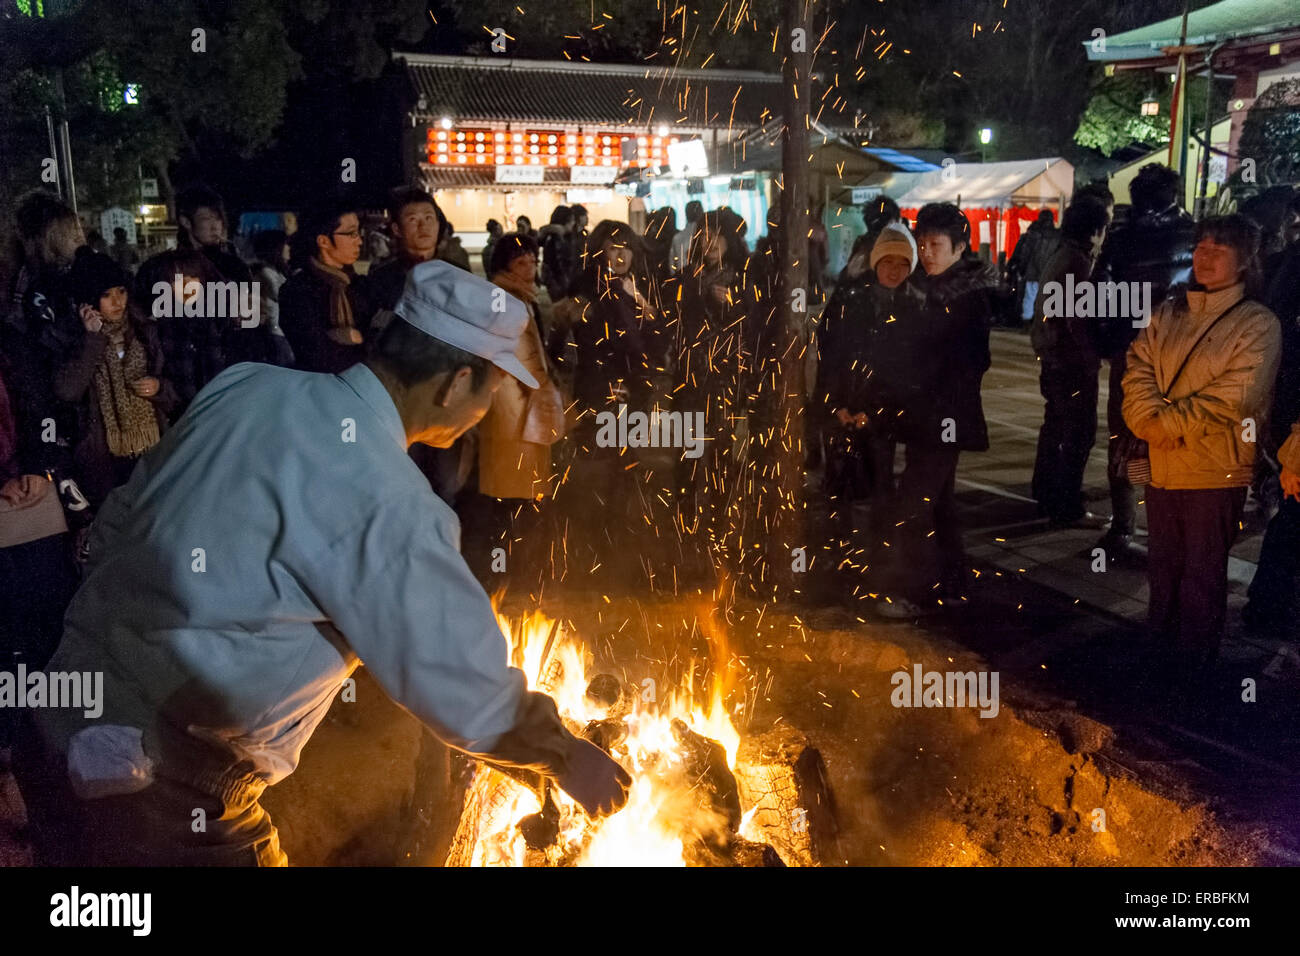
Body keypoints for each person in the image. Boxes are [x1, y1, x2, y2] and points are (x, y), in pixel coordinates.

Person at [14, 260, 632, 866]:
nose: (487, 406)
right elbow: (458, 682)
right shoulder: (389, 499)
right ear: (455, 383)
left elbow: (120, 517)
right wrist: (566, 757)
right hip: (161, 783)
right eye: (493, 386)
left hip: (60, 715)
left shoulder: (244, 385)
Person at [1122, 215, 1280, 683]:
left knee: (1202, 572)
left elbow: (1238, 395)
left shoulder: (1257, 323)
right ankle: (1158, 651)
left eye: (1221, 247)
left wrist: (1161, 423)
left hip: (1214, 467)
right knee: (1163, 564)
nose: (1206, 254)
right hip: (1162, 461)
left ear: (1247, 259)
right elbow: (1137, 368)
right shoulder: (1170, 312)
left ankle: (1192, 666)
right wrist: (1146, 419)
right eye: (1202, 245)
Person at [1093, 163, 1197, 559]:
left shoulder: (1122, 238)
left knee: (1123, 436)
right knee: (1172, 436)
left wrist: (1108, 338)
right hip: (1181, 350)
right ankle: (1170, 529)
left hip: (1131, 348)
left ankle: (1122, 529)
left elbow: (1099, 291)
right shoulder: (1193, 233)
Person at [906, 202, 1000, 604]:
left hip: (943, 416)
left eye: (936, 244)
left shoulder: (965, 298)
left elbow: (975, 361)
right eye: (922, 242)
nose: (927, 251)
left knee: (914, 501)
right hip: (923, 413)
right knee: (939, 502)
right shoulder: (925, 288)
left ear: (960, 248)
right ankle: (954, 581)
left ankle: (917, 589)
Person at [464, 234, 566, 584]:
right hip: (516, 407)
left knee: (511, 491)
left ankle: (508, 568)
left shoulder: (519, 296)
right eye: (521, 262)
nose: (530, 267)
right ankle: (512, 571)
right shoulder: (507, 300)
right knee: (514, 492)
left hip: (514, 405)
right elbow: (522, 356)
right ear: (504, 266)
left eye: (532, 260)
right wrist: (545, 388)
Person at [815, 222, 919, 559]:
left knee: (881, 487)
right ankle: (836, 551)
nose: (894, 270)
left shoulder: (914, 307)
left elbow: (907, 372)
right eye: (887, 261)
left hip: (881, 417)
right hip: (844, 409)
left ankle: (879, 558)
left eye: (903, 263)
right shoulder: (851, 300)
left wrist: (875, 413)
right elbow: (829, 355)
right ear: (875, 262)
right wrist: (836, 405)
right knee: (837, 483)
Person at [56, 251, 176, 509]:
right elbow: (67, 391)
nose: (117, 301)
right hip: (105, 455)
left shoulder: (145, 331)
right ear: (89, 302)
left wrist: (158, 388)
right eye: (106, 295)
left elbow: (173, 386)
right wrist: (92, 339)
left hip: (152, 448)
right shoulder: (75, 339)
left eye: (121, 291)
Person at [1029, 196, 1112, 526]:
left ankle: (1047, 492)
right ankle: (1067, 506)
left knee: (1055, 427)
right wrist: (1093, 354)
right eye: (1104, 227)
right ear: (1094, 230)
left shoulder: (1061, 254)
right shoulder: (1078, 263)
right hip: (1070, 362)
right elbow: (1075, 320)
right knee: (1077, 434)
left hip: (1053, 358)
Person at [279, 201, 371, 374]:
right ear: (323, 241)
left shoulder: (362, 286)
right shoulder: (297, 290)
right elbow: (314, 352)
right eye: (351, 233)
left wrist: (346, 336)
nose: (359, 241)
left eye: (358, 233)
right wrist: (353, 338)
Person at [366, 187, 448, 317]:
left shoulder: (456, 273)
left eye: (428, 218)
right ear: (397, 229)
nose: (423, 226)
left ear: (438, 224)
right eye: (413, 219)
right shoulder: (380, 280)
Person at [249, 229, 296, 367]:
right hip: (276, 332)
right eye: (286, 244)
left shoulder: (277, 272)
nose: (289, 248)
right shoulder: (266, 273)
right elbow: (280, 296)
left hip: (281, 331)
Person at [1010, 210, 1058, 322]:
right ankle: (1044, 322)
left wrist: (1021, 269)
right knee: (1047, 299)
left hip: (1033, 272)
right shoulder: (1057, 236)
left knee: (1029, 298)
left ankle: (1027, 322)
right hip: (1049, 273)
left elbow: (1026, 253)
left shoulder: (1032, 234)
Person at [540, 205, 578, 301]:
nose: (573, 223)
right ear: (566, 221)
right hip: (560, 286)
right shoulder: (557, 239)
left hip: (557, 284)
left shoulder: (557, 237)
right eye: (572, 220)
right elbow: (560, 266)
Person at [670, 200, 704, 275]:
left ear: (686, 215)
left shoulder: (677, 237)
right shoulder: (704, 235)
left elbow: (672, 265)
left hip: (682, 277)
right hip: (701, 277)